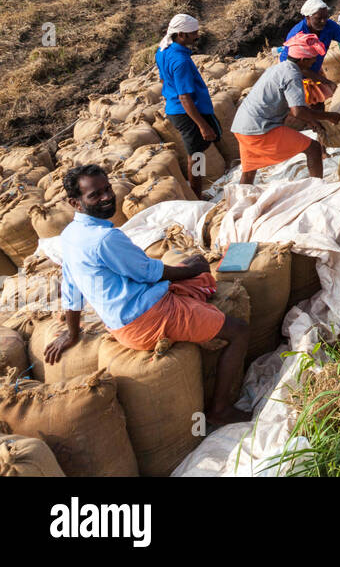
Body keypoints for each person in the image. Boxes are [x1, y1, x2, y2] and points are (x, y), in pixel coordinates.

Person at [44, 165, 251, 426]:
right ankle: (221, 410)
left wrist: (72, 333)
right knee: (238, 331)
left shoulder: (70, 236)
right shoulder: (105, 239)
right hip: (148, 318)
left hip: (127, 318)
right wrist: (192, 268)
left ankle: (197, 318)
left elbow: (71, 288)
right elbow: (149, 273)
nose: (107, 197)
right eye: (95, 195)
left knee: (196, 277)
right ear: (76, 203)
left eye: (107, 189)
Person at [232, 32, 340, 183]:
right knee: (314, 149)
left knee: (249, 171)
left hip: (242, 125)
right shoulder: (292, 75)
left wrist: (312, 121)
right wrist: (330, 117)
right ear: (303, 60)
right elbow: (298, 111)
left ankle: (241, 201)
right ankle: (317, 190)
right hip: (260, 128)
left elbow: (287, 104)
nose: (315, 61)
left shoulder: (279, 68)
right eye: (313, 58)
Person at [155, 13, 220, 198]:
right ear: (181, 35)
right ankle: (196, 195)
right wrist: (203, 125)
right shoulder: (180, 61)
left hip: (178, 108)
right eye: (193, 33)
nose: (197, 36)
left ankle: (196, 191)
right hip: (186, 112)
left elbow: (162, 77)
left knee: (198, 152)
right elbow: (185, 97)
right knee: (196, 156)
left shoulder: (162, 50)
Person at [280, 0, 340, 106]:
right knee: (303, 105)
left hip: (314, 69)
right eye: (318, 18)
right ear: (308, 17)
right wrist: (326, 81)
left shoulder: (329, 26)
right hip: (295, 73)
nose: (323, 21)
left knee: (319, 102)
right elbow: (299, 67)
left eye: (325, 17)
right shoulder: (298, 34)